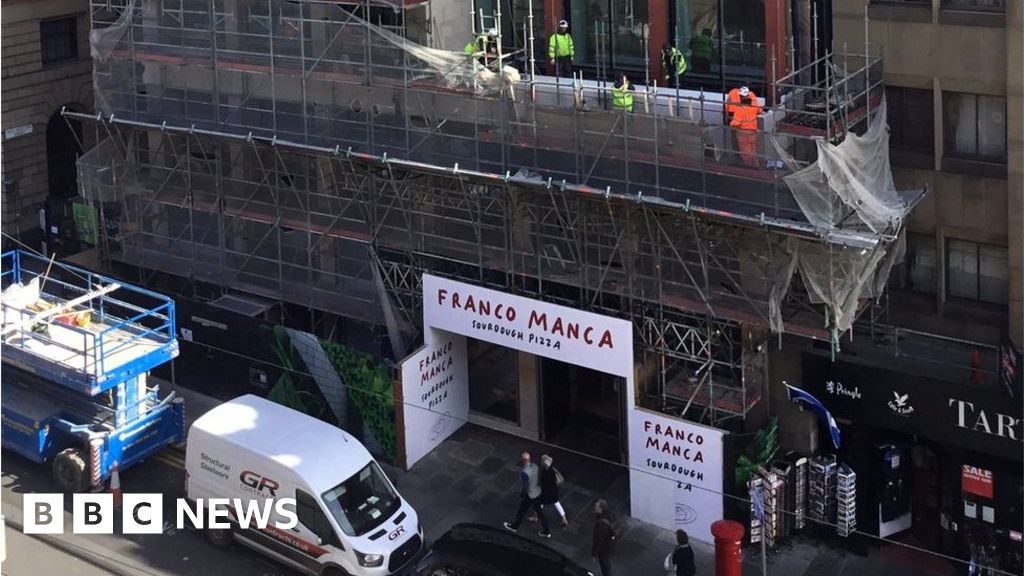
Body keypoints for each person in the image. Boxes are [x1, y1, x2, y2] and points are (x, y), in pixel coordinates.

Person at [503, 451, 552, 538]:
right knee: (540, 513)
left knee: (521, 511)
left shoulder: (524, 472)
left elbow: (525, 486)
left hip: (530, 495)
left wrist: (522, 494)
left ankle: (514, 527)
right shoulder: (535, 467)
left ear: (522, 460)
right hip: (537, 491)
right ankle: (546, 531)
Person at [726, 85, 761, 167]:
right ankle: (756, 164)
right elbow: (759, 110)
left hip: (743, 133)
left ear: (741, 97)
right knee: (753, 150)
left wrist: (731, 124)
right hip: (753, 131)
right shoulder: (754, 105)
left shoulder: (740, 109)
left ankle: (748, 166)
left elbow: (736, 123)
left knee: (745, 151)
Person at [531, 454, 568, 526]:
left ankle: (536, 516)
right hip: (553, 491)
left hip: (546, 491)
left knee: (539, 502)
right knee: (557, 503)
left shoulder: (545, 472)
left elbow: (543, 482)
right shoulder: (552, 470)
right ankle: (564, 519)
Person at [591, 499, 617, 576]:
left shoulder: (601, 524)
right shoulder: (611, 514)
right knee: (607, 564)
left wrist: (594, 553)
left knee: (605, 566)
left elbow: (598, 540)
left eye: (596, 506)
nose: (594, 507)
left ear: (600, 508)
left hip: (604, 548)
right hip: (611, 543)